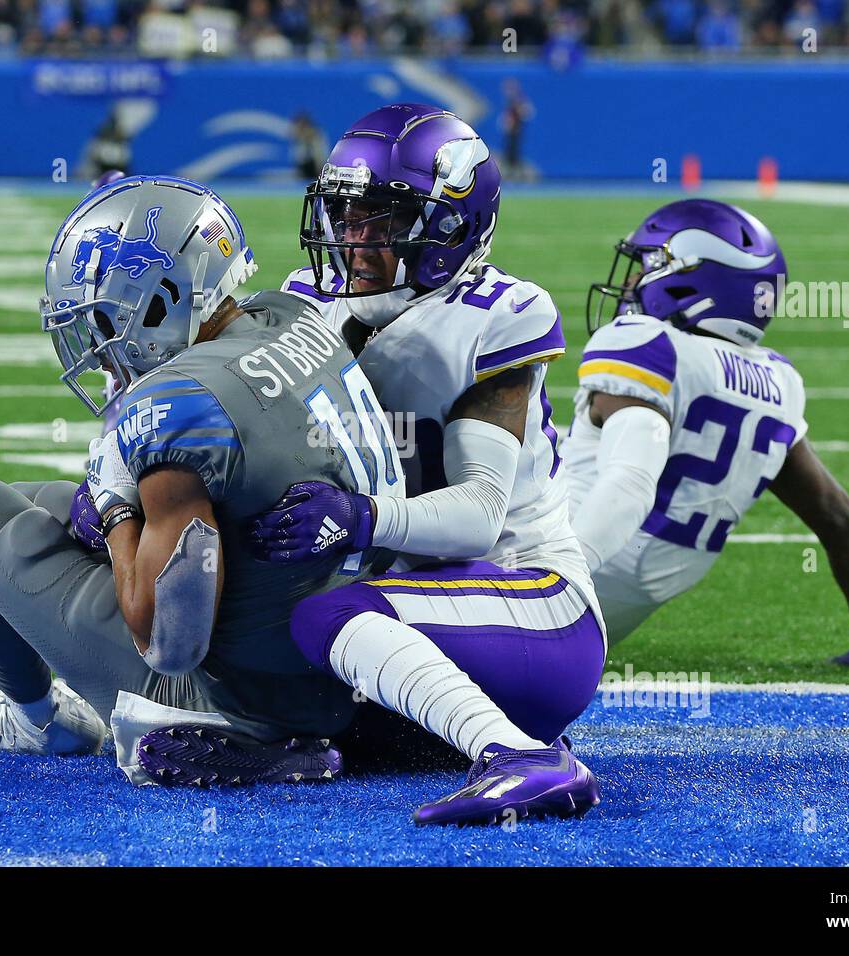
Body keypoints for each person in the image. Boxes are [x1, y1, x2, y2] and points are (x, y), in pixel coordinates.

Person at [0, 175, 406, 786]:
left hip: (248, 691)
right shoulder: (292, 317)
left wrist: (117, 511)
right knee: (27, 502)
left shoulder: (180, 403)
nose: (100, 349)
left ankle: (41, 722)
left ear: (162, 300)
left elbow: (169, 641)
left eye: (104, 321)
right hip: (356, 646)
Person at [253, 104, 608, 825]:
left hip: (534, 604)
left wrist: (358, 517)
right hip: (403, 619)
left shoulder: (498, 315)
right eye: (343, 215)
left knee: (331, 612)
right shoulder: (304, 302)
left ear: (449, 226)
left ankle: (523, 757)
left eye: (378, 219)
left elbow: (479, 516)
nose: (350, 240)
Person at [562, 198, 849, 667]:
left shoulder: (646, 344)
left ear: (690, 278)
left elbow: (628, 483)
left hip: (529, 586)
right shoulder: (777, 386)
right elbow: (843, 525)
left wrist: (555, 578)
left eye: (649, 265)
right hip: (586, 639)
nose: (631, 281)